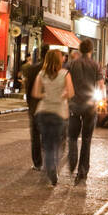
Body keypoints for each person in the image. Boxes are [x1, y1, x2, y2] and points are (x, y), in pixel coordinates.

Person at [31, 49, 74, 186]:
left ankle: (48, 164)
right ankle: (52, 166)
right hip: (59, 112)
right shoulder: (65, 74)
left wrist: (47, 95)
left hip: (43, 112)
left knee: (47, 143)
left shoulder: (41, 74)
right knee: (57, 143)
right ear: (58, 60)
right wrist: (61, 94)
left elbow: (36, 93)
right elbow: (71, 93)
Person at [65, 38, 101, 183]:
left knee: (72, 137)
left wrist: (70, 98)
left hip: (74, 104)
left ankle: (72, 161)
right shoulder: (95, 65)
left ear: (80, 49)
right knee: (87, 139)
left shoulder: (71, 64)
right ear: (91, 50)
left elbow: (66, 83)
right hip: (90, 106)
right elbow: (100, 86)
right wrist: (97, 101)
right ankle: (83, 170)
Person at [20, 51, 44, 170]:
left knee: (35, 136)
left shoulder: (32, 69)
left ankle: (37, 163)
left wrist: (30, 103)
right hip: (49, 107)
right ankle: (48, 159)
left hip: (34, 107)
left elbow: (28, 89)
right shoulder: (55, 70)